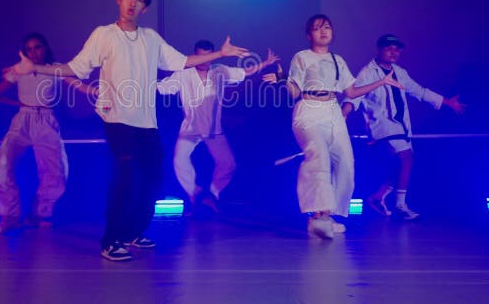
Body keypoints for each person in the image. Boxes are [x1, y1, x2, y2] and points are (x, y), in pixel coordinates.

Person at [8, 0, 249, 261]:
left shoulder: (151, 38)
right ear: (118, 0)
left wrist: (220, 54)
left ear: (145, 8)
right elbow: (75, 68)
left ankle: (134, 231)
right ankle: (111, 240)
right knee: (126, 175)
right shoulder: (104, 35)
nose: (133, 2)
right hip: (116, 118)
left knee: (154, 177)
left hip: (146, 122)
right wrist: (35, 67)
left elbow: (181, 60)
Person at [263, 15, 403, 239]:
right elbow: (295, 91)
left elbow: (351, 92)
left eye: (327, 27)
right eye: (317, 28)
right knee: (319, 156)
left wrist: (382, 82)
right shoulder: (302, 57)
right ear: (309, 35)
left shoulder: (338, 60)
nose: (323, 31)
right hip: (308, 109)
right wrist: (282, 80)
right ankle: (320, 215)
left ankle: (328, 217)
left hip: (333, 111)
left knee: (346, 162)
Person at [0, 33, 91, 234]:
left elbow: (78, 85)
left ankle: (41, 213)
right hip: (22, 120)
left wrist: (97, 93)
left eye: (37, 47)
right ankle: (9, 215)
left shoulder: (55, 68)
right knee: (4, 160)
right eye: (29, 49)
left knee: (56, 170)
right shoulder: (18, 70)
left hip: (46, 121)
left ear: (45, 48)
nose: (33, 52)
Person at [341, 34, 466, 220]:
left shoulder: (399, 72)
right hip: (382, 126)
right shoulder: (367, 72)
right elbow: (354, 94)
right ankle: (400, 205)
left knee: (404, 164)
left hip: (401, 127)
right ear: (379, 49)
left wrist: (447, 102)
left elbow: (419, 91)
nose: (394, 52)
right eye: (389, 48)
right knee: (406, 159)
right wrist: (343, 113)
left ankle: (378, 197)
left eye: (397, 49)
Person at [157, 40, 279, 213]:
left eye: (208, 56)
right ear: (195, 55)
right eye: (200, 56)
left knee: (228, 163)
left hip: (214, 130)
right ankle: (196, 194)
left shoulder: (220, 71)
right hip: (190, 129)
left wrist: (266, 63)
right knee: (179, 160)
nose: (204, 60)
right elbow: (162, 87)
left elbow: (245, 72)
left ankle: (212, 194)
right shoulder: (183, 74)